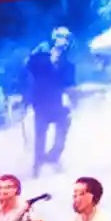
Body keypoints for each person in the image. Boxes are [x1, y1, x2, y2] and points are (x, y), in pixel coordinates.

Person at [25, 27, 76, 177]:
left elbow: (69, 85)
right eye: (61, 37)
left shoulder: (68, 63)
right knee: (40, 135)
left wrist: (72, 101)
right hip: (41, 103)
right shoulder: (40, 57)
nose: (63, 41)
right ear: (54, 38)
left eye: (66, 38)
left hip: (57, 103)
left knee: (64, 127)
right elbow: (29, 66)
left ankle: (53, 157)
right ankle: (37, 165)